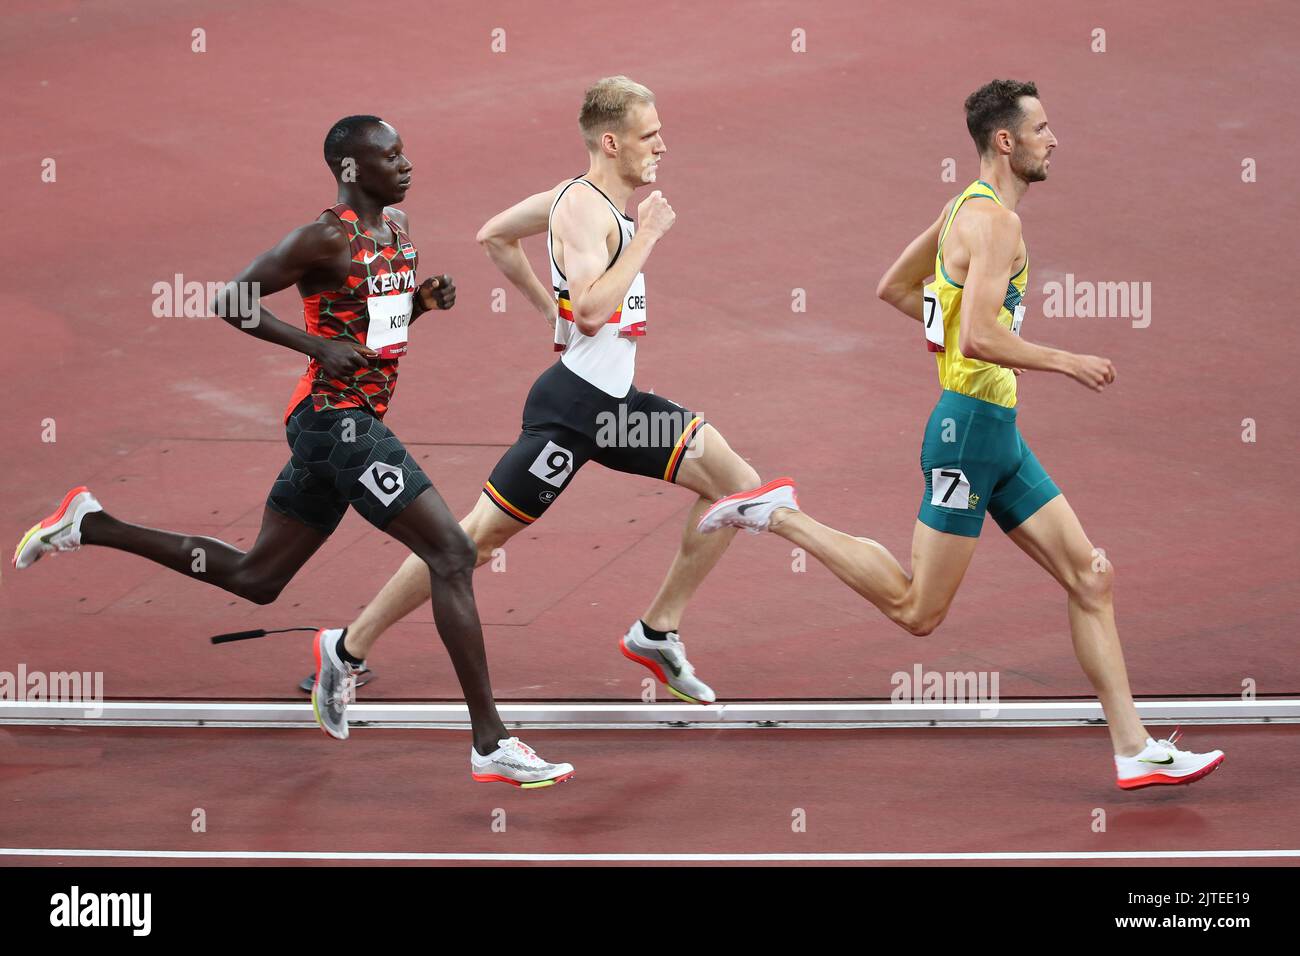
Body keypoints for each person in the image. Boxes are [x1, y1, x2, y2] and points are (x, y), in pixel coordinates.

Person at [13, 115, 573, 789]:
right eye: (389, 156)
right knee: (451, 553)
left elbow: (370, 329)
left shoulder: (394, 231)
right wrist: (314, 347)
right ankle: (490, 741)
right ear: (349, 170)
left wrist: (419, 306)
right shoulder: (323, 237)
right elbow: (232, 299)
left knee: (257, 579)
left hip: (347, 422)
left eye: (403, 152)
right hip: (333, 424)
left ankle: (89, 522)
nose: (405, 165)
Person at [697, 80, 1224, 791]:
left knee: (1091, 578)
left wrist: (949, 338)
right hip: (967, 431)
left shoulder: (959, 211)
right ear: (1004, 141)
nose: (1053, 138)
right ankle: (779, 514)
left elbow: (895, 288)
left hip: (995, 431)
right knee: (919, 612)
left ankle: (1133, 749)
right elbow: (977, 334)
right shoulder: (996, 224)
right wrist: (1062, 359)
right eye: (1041, 127)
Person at [306, 77, 765, 730]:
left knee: (736, 487)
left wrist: (550, 309)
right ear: (611, 142)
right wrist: (646, 238)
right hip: (573, 415)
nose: (662, 144)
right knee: (467, 545)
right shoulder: (580, 209)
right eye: (649, 134)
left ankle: (657, 632)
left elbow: (494, 235)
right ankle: (346, 647)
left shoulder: (573, 199)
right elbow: (595, 310)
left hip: (618, 409)